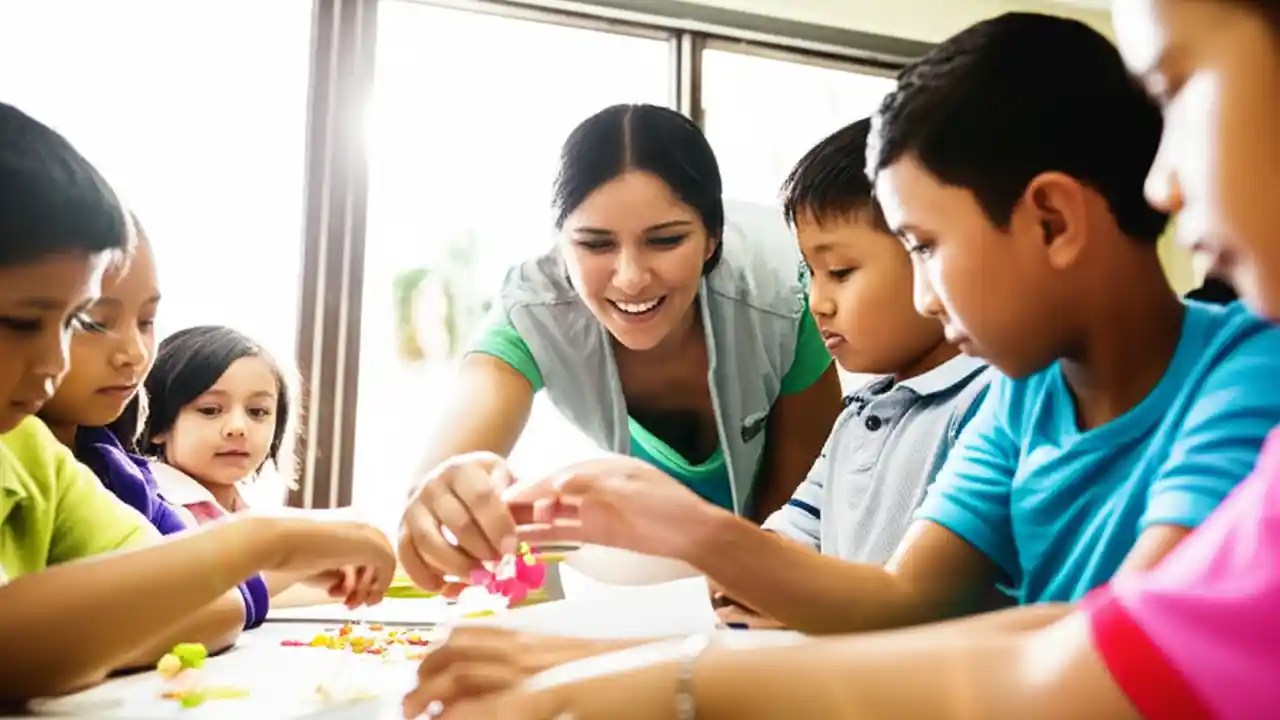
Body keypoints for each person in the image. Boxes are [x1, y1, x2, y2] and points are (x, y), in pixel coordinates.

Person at [400, 10, 1280, 717]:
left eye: (924, 247)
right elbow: (908, 601)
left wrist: (670, 679)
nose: (924, 295)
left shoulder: (1247, 376)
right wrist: (686, 537)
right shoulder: (1024, 396)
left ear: (1051, 221)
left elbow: (1104, 655)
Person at [0, 101, 395, 701]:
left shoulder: (31, 453)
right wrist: (262, 539)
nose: (53, 363)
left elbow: (216, 606)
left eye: (70, 320)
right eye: (24, 323)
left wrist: (73, 643)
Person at [399, 103, 843, 592]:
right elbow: (445, 464)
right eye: (595, 245)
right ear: (562, 245)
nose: (631, 278)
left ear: (713, 238)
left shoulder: (785, 294)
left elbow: (803, 525)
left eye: (666, 240)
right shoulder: (533, 308)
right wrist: (439, 493)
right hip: (652, 590)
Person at [133, 325, 292, 525]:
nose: (238, 428)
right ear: (158, 424)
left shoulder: (258, 509)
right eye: (210, 410)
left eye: (257, 412)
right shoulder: (144, 506)